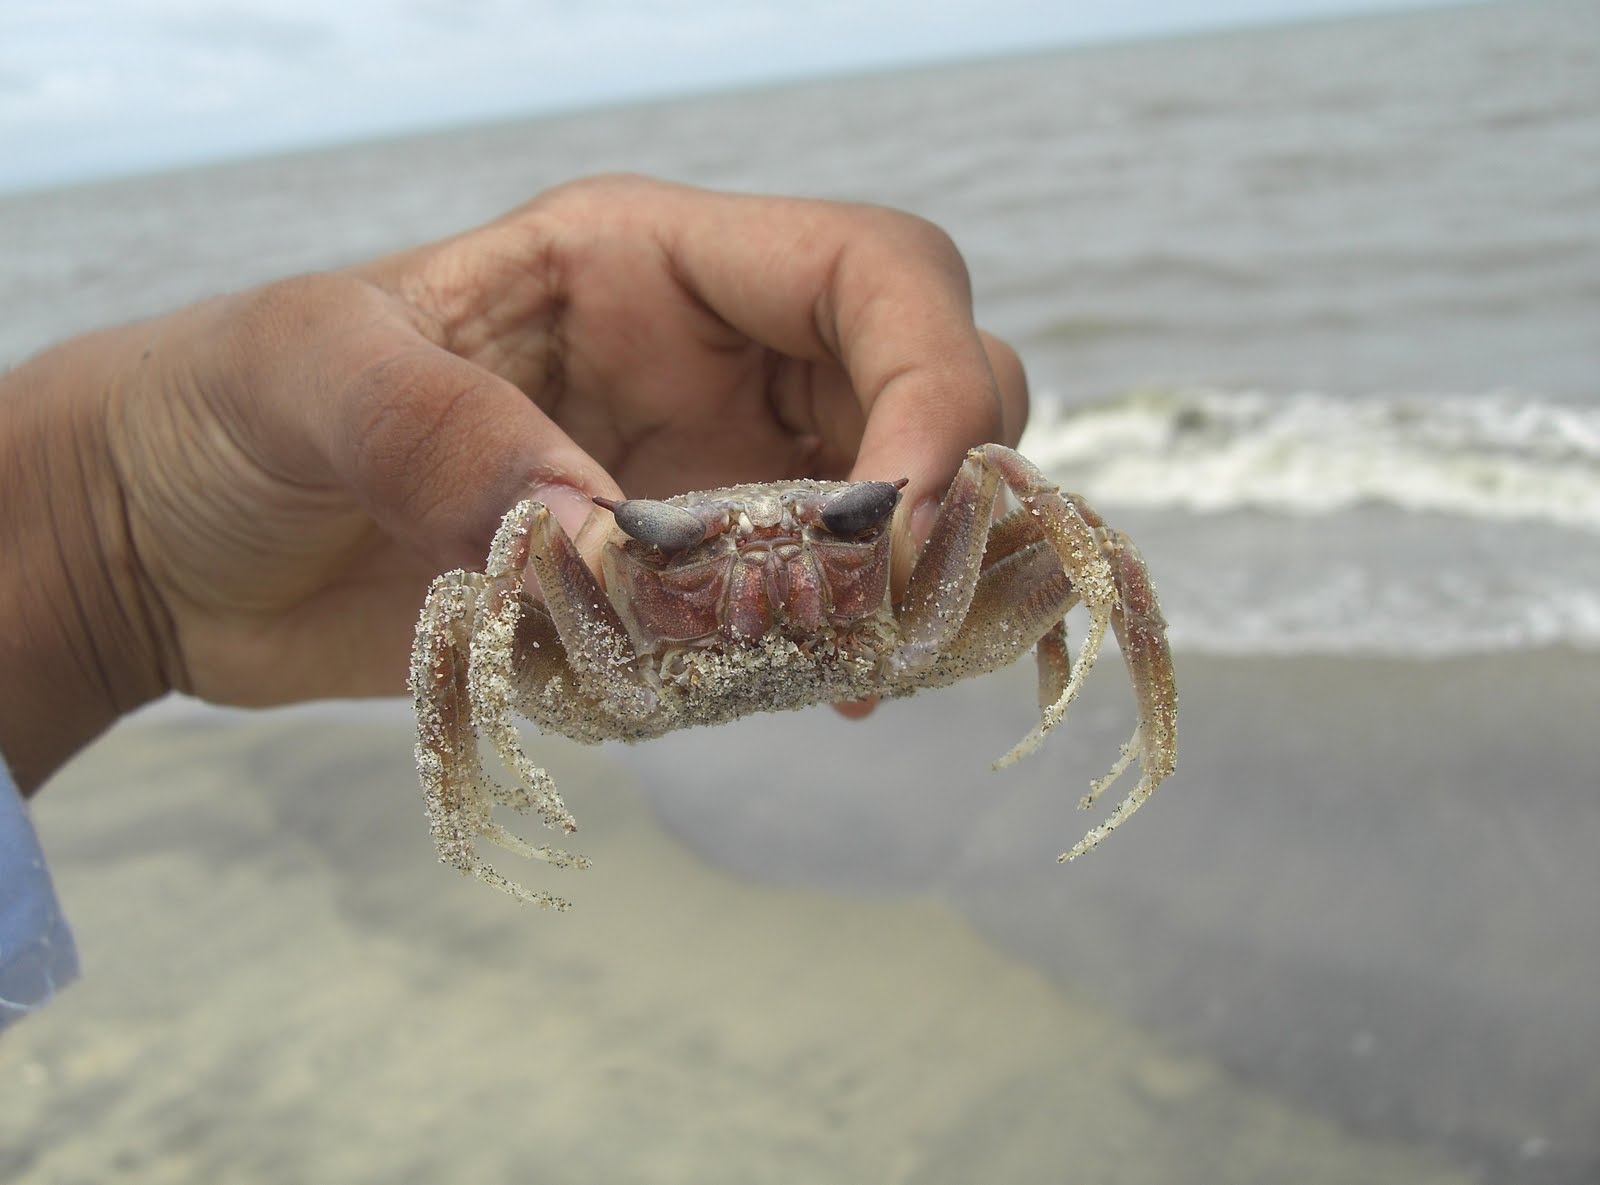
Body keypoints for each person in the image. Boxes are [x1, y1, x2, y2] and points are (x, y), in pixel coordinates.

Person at [0, 172, 1028, 1025]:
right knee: (465, 601)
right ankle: (469, 821)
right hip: (635, 667)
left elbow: (1042, 523)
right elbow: (468, 605)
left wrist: (115, 546)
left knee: (1000, 487)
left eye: (842, 525)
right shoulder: (595, 644)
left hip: (870, 635)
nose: (769, 575)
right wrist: (113, 541)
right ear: (646, 540)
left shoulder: (913, 606)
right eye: (690, 551)